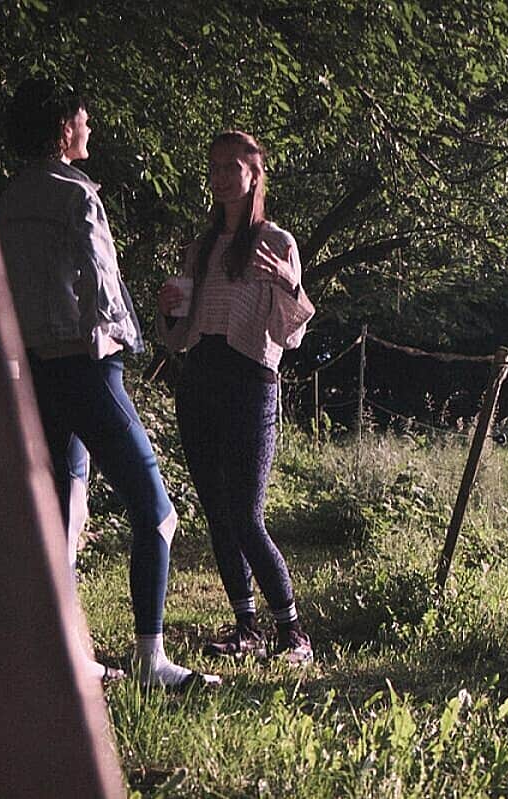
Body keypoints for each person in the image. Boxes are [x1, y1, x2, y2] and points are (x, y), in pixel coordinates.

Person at [0, 78, 218, 689]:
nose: (89, 125)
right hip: (89, 367)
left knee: (63, 514)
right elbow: (102, 295)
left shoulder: (5, 201)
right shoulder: (77, 197)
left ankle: (62, 656)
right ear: (63, 127)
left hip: (35, 371)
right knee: (156, 511)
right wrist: (142, 344)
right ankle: (151, 658)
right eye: (82, 117)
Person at [158, 131, 315, 665]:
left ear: (254, 174)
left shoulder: (277, 242)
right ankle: (245, 626)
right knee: (218, 513)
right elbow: (178, 335)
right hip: (199, 381)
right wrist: (169, 308)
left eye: (232, 167)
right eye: (214, 166)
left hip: (249, 384)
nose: (221, 176)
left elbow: (288, 334)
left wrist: (291, 285)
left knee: (246, 514)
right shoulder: (200, 248)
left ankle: (293, 633)